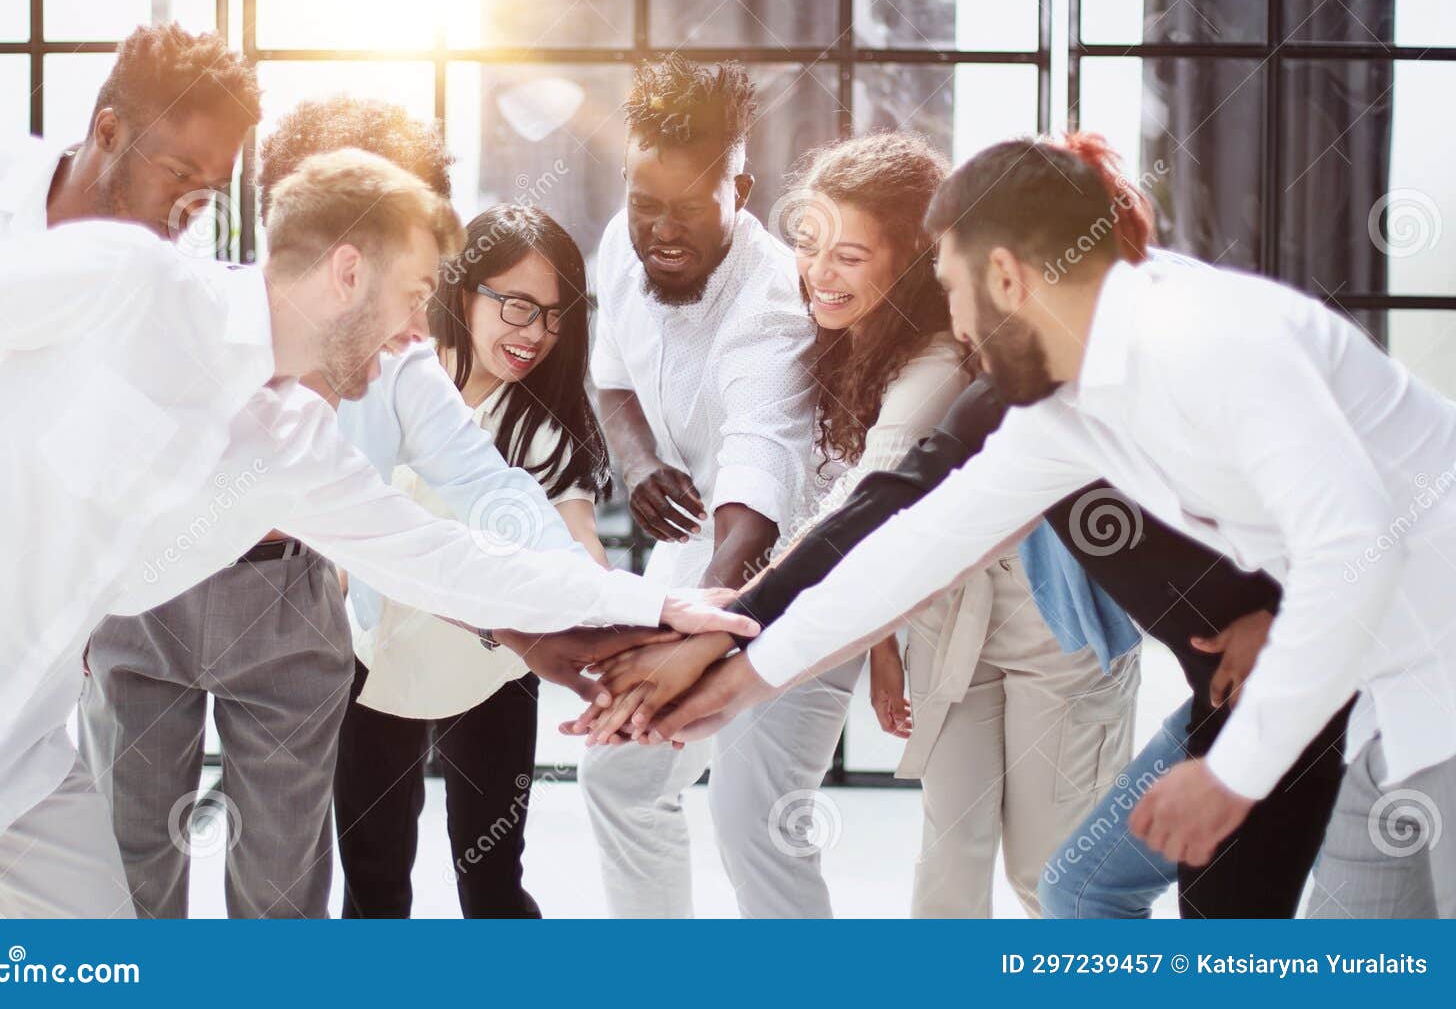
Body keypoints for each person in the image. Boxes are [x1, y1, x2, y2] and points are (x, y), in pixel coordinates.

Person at [0, 148, 750, 919]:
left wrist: (650, 600)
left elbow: (441, 555)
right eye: (412, 297)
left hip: (12, 746)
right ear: (348, 273)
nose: (414, 333)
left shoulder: (293, 442)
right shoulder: (136, 284)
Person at [648, 132, 1455, 918]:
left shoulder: (1210, 338)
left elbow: (1353, 550)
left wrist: (1234, 772)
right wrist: (740, 681)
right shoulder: (1068, 407)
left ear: (1004, 275)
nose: (956, 326)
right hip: (1396, 701)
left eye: (952, 290)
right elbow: (915, 547)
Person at [585, 131, 1139, 917]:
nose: (816, 272)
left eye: (851, 255)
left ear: (913, 259)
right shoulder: (846, 335)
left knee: (1053, 877)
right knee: (949, 863)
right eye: (810, 245)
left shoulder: (940, 364)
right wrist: (880, 644)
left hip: (1047, 628)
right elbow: (874, 515)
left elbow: (870, 502)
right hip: (946, 622)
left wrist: (719, 633)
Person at [0, 22, 259, 919]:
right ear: (108, 131)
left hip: (12, 733)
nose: (188, 209)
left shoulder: (164, 301)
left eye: (210, 192)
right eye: (178, 175)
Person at [576, 54, 840, 919]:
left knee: (759, 825)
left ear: (742, 187)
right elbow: (608, 374)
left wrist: (703, 632)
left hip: (797, 563)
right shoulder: (626, 237)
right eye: (646, 202)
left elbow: (759, 491)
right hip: (697, 549)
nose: (661, 229)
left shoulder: (772, 303)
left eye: (690, 206)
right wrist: (641, 459)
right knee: (619, 773)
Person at [332, 203, 615, 918]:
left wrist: (617, 618)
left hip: (493, 667)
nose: (536, 335)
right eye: (519, 307)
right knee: (372, 883)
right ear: (464, 292)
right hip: (375, 658)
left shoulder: (543, 428)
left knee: (490, 884)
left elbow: (576, 531)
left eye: (554, 317)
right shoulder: (392, 376)